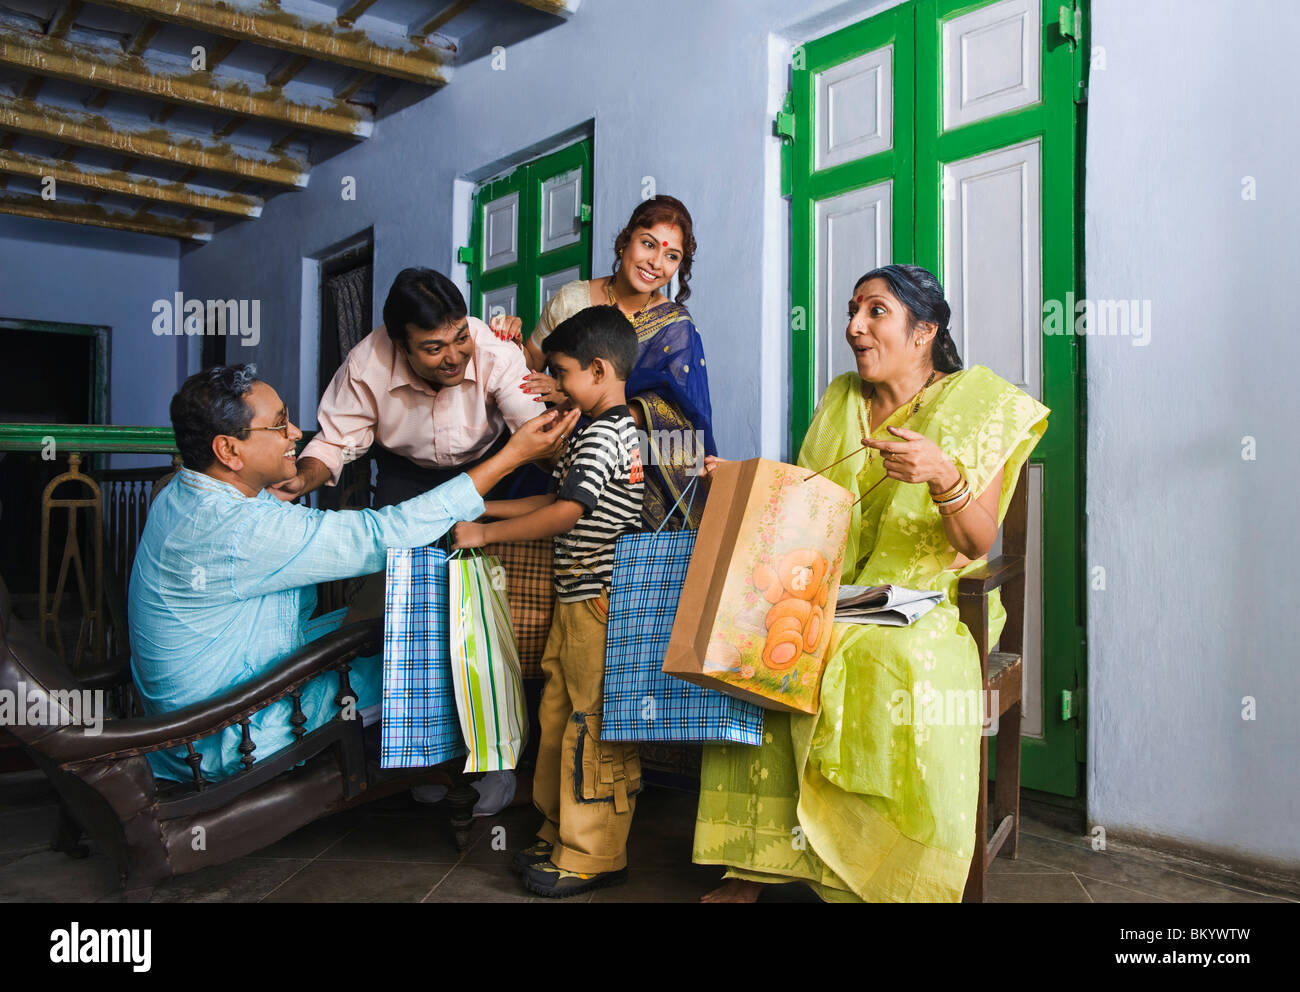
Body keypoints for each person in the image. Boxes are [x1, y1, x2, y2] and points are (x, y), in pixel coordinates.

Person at [693, 264, 1049, 902]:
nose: (854, 327)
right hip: (835, 588)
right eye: (852, 311)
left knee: (898, 658)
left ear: (924, 332)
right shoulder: (842, 399)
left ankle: (888, 876)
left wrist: (945, 476)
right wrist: (744, 482)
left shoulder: (979, 402)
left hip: (936, 600)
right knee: (759, 638)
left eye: (875, 311)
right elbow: (810, 504)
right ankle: (754, 862)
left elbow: (975, 544)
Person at [128, 364, 577, 783]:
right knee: (439, 642)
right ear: (228, 450)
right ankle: (468, 774)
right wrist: (512, 456)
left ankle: (444, 769)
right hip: (227, 734)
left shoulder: (184, 491)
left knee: (392, 618)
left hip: (187, 730)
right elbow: (384, 534)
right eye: (278, 424)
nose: (294, 433)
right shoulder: (238, 528)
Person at [452, 305, 645, 897]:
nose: (553, 386)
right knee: (557, 717)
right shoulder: (599, 428)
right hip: (577, 599)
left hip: (598, 602)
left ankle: (593, 851)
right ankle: (560, 827)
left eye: (560, 374)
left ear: (598, 369)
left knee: (591, 724)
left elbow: (566, 513)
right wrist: (480, 506)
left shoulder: (607, 432)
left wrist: (485, 532)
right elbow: (553, 503)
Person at [520, 195, 715, 528]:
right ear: (626, 241)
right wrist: (506, 340)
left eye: (671, 256)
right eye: (648, 244)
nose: (656, 263)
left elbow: (682, 413)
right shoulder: (571, 300)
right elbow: (524, 370)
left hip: (630, 472)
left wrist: (572, 396)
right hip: (551, 457)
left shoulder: (675, 327)